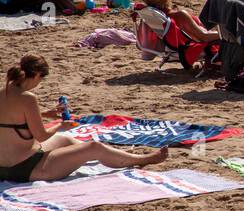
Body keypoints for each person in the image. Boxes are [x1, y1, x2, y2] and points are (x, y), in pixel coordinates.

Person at [0, 55, 168, 184]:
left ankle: (109, 156)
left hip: (4, 167)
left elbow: (11, 118)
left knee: (65, 139)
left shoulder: (3, 92)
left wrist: (44, 114)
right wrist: (60, 124)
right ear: (36, 74)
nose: (39, 83)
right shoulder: (28, 98)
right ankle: (142, 159)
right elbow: (42, 135)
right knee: (94, 147)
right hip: (27, 169)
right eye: (41, 78)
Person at [141, 0, 220, 44]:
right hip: (196, 46)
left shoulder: (155, 16)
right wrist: (226, 35)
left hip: (173, 45)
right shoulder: (180, 15)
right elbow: (204, 37)